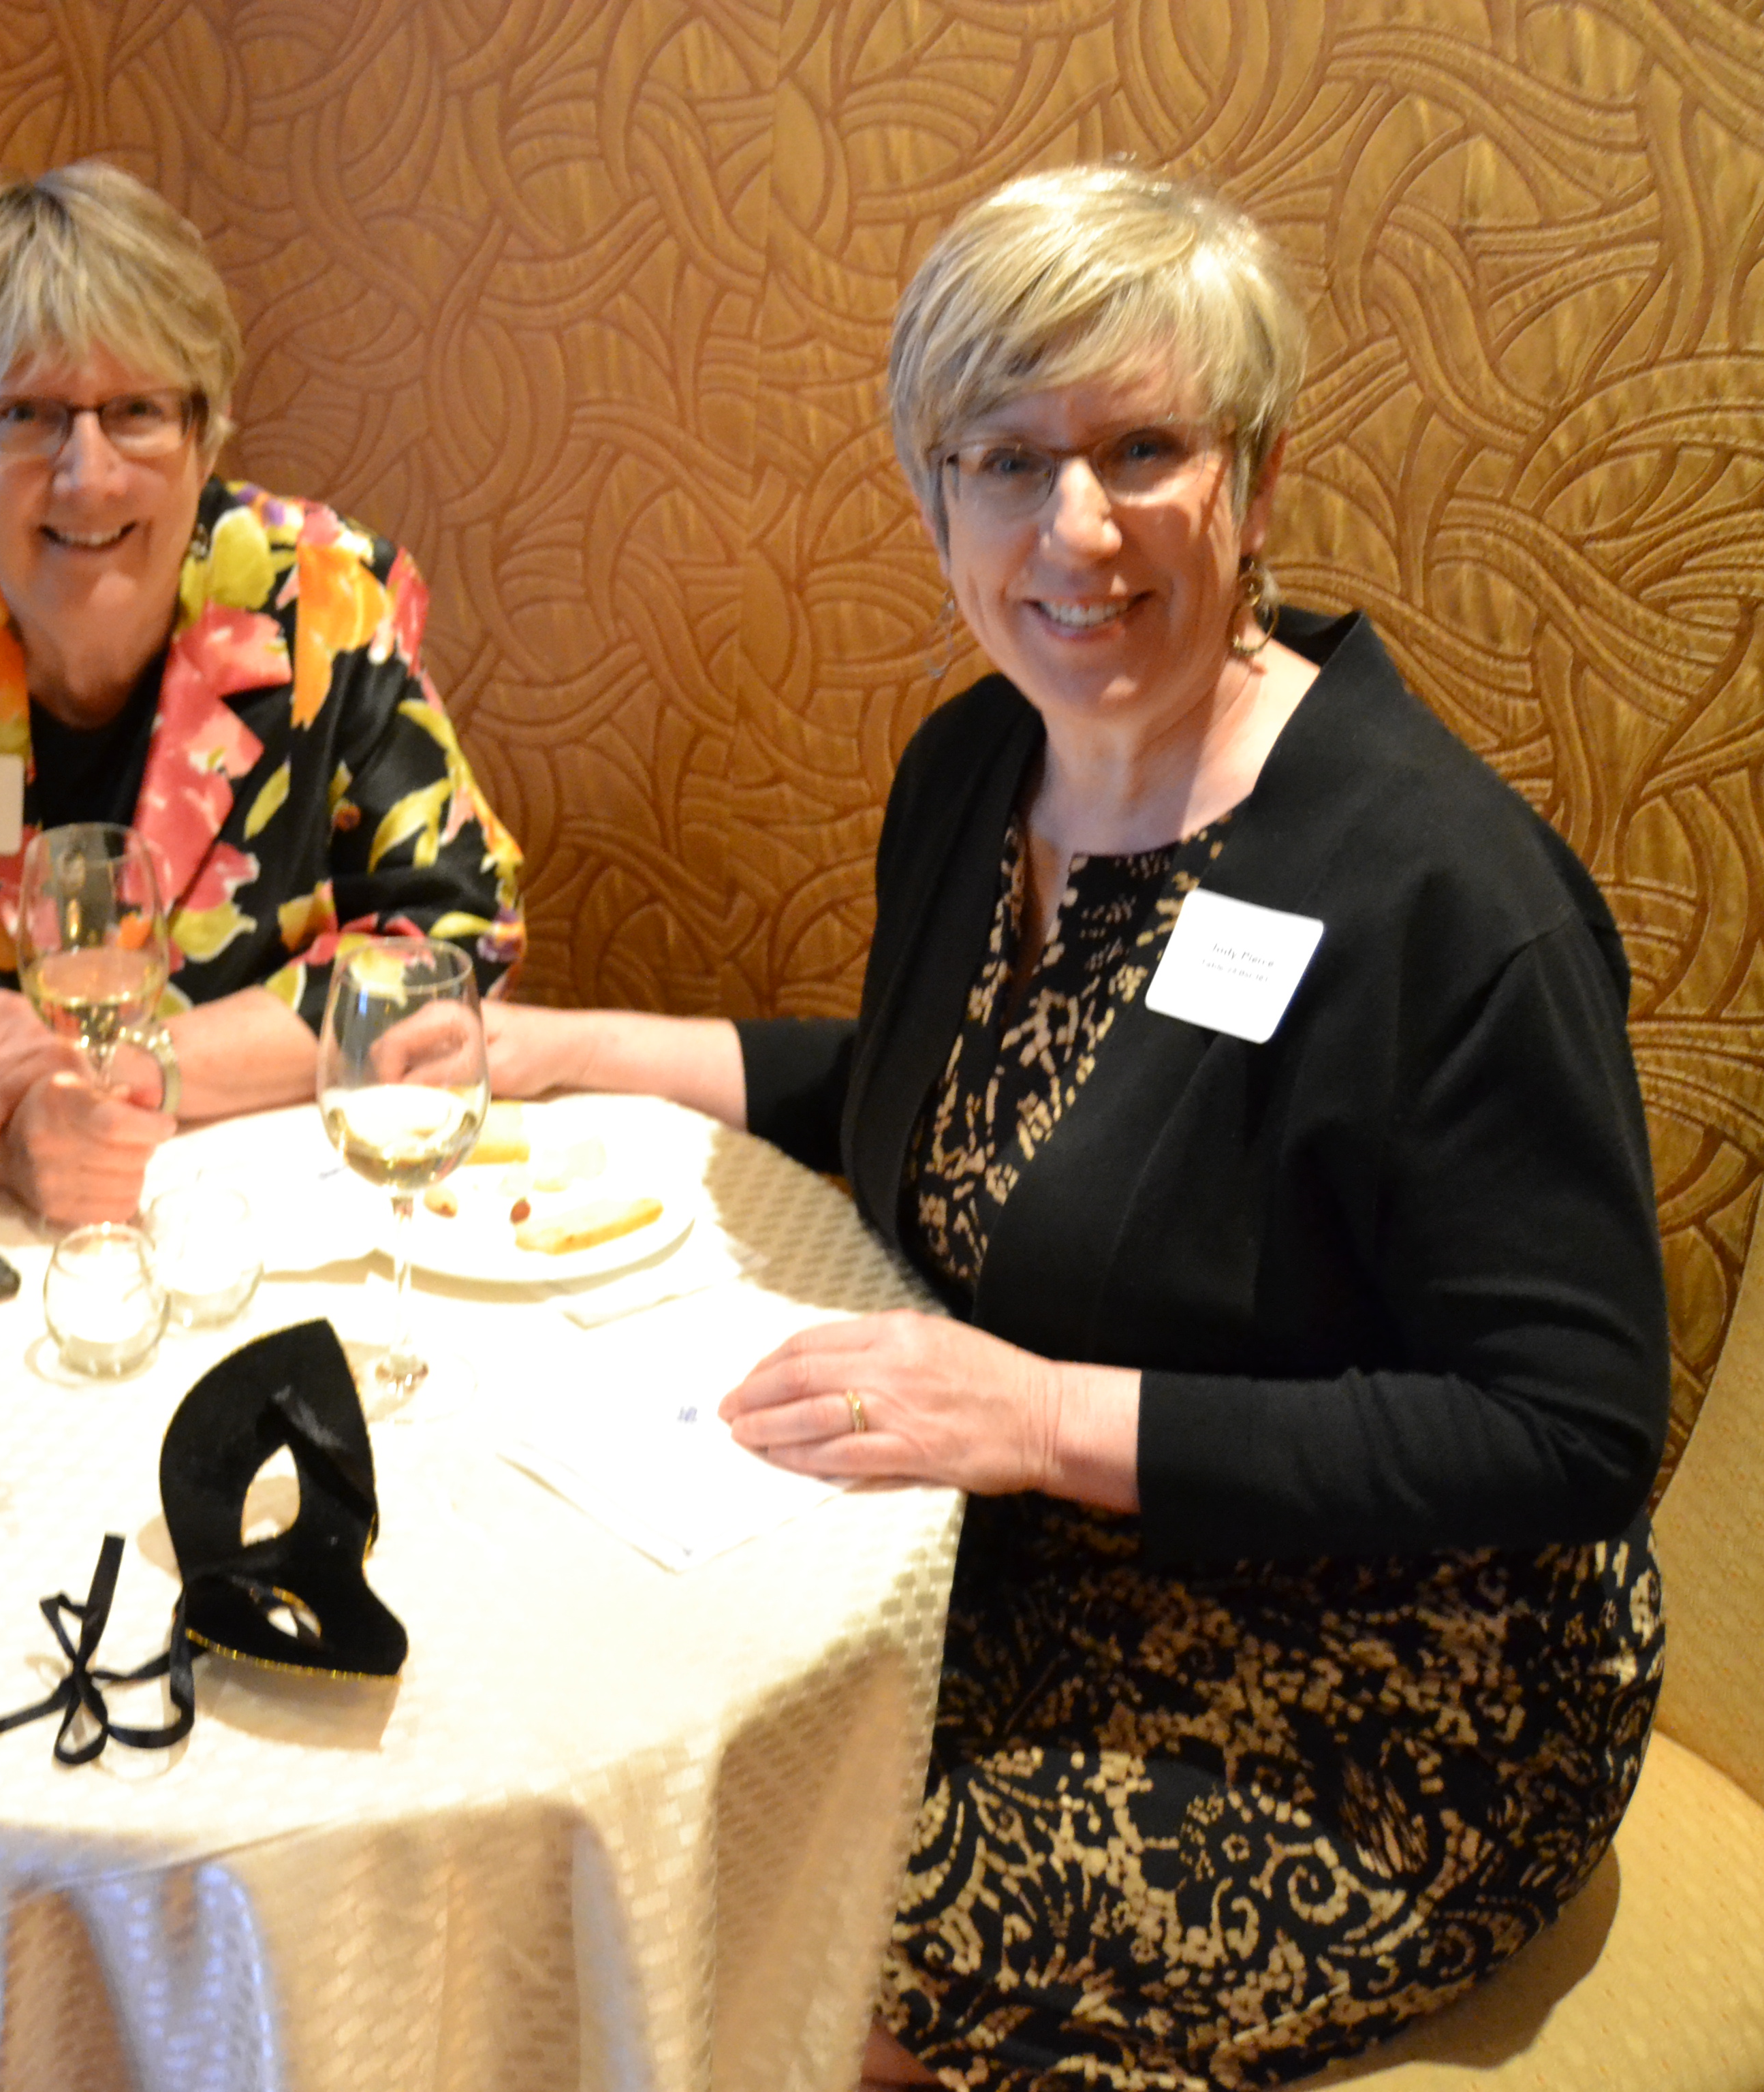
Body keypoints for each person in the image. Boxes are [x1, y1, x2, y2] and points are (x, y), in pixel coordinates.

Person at [488, 167, 1667, 2089]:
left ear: (1259, 482)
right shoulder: (976, 771)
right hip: (1044, 1573)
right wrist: (559, 1047)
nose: (1078, 525)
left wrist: (1037, 1420)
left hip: (1397, 1692)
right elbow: (944, 1092)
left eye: (1143, 448)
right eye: (1005, 459)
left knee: (782, 1946)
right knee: (621, 1773)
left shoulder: (1441, 897)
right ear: (933, 500)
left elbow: (1568, 1431)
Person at [0, 160, 527, 1226]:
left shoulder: (321, 617)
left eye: (138, 412)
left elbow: (455, 943)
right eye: (27, 415)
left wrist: (137, 1068)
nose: (91, 475)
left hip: (240, 1229)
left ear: (205, 433)